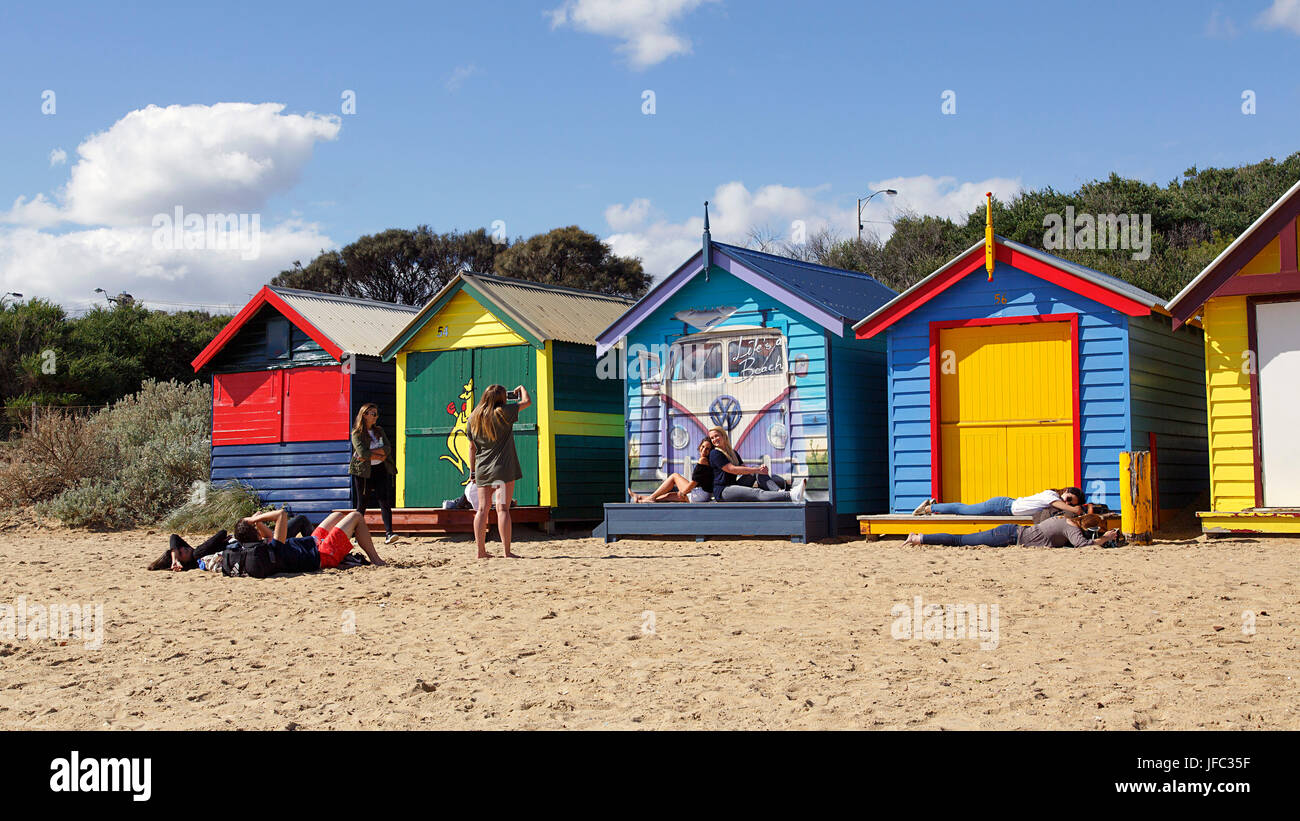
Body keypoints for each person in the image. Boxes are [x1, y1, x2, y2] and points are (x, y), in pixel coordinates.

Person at [202, 509, 387, 577]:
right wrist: (252, 519)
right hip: (322, 554)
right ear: (255, 535)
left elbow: (268, 534)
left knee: (337, 515)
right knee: (355, 516)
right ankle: (376, 559)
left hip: (311, 543)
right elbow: (281, 515)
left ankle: (357, 552)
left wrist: (257, 523)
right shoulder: (272, 548)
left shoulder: (263, 547)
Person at [468, 383, 530, 559]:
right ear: (502, 399)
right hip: (502, 471)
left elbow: (472, 448)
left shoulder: (473, 417)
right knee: (502, 509)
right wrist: (521, 389)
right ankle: (506, 551)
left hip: (483, 470)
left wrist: (472, 472)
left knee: (482, 509)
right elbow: (527, 401)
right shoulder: (504, 412)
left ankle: (480, 551)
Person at [149, 509, 313, 571]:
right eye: (182, 552)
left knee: (298, 525)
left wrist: (174, 557)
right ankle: (311, 546)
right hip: (258, 542)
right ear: (184, 562)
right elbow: (221, 533)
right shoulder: (198, 553)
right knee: (301, 520)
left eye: (181, 549)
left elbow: (174, 537)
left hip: (255, 542)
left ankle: (309, 546)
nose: (184, 548)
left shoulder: (195, 556)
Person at [904, 512, 1119, 548]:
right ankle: (918, 538)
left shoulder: (1066, 519)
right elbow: (1082, 545)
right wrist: (1103, 539)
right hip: (1010, 536)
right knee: (961, 540)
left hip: (1011, 532)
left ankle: (919, 538)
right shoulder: (1071, 528)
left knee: (963, 539)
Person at [706, 426, 805, 503]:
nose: (714, 439)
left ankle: (779, 492)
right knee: (756, 492)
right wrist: (756, 469)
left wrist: (758, 470)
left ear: (723, 436)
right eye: (712, 438)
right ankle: (790, 496)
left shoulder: (732, 453)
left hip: (734, 485)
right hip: (723, 491)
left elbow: (743, 469)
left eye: (716, 436)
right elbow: (732, 469)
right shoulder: (715, 453)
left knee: (757, 473)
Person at [350, 403, 400, 545]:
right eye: (372, 413)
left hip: (380, 469)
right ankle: (355, 535)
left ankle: (389, 533)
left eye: (376, 414)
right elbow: (362, 453)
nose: (375, 417)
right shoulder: (357, 433)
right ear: (364, 415)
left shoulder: (379, 430)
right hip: (363, 472)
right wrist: (378, 454)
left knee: (384, 500)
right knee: (362, 503)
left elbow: (387, 449)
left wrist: (373, 455)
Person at [630, 438, 714, 503]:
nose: (704, 450)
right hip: (703, 495)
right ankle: (642, 499)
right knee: (668, 495)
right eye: (703, 447)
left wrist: (683, 492)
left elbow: (694, 482)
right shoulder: (708, 460)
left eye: (707, 449)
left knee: (674, 476)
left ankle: (650, 497)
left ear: (710, 451)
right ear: (699, 446)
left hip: (699, 495)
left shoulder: (703, 460)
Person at [912, 487, 1086, 517]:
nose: (1068, 503)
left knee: (966, 509)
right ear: (1066, 491)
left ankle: (932, 507)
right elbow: (1074, 511)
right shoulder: (1052, 497)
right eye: (1069, 499)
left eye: (1071, 502)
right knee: (965, 510)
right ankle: (929, 508)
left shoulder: (1053, 499)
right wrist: (1077, 508)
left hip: (1006, 506)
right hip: (1003, 506)